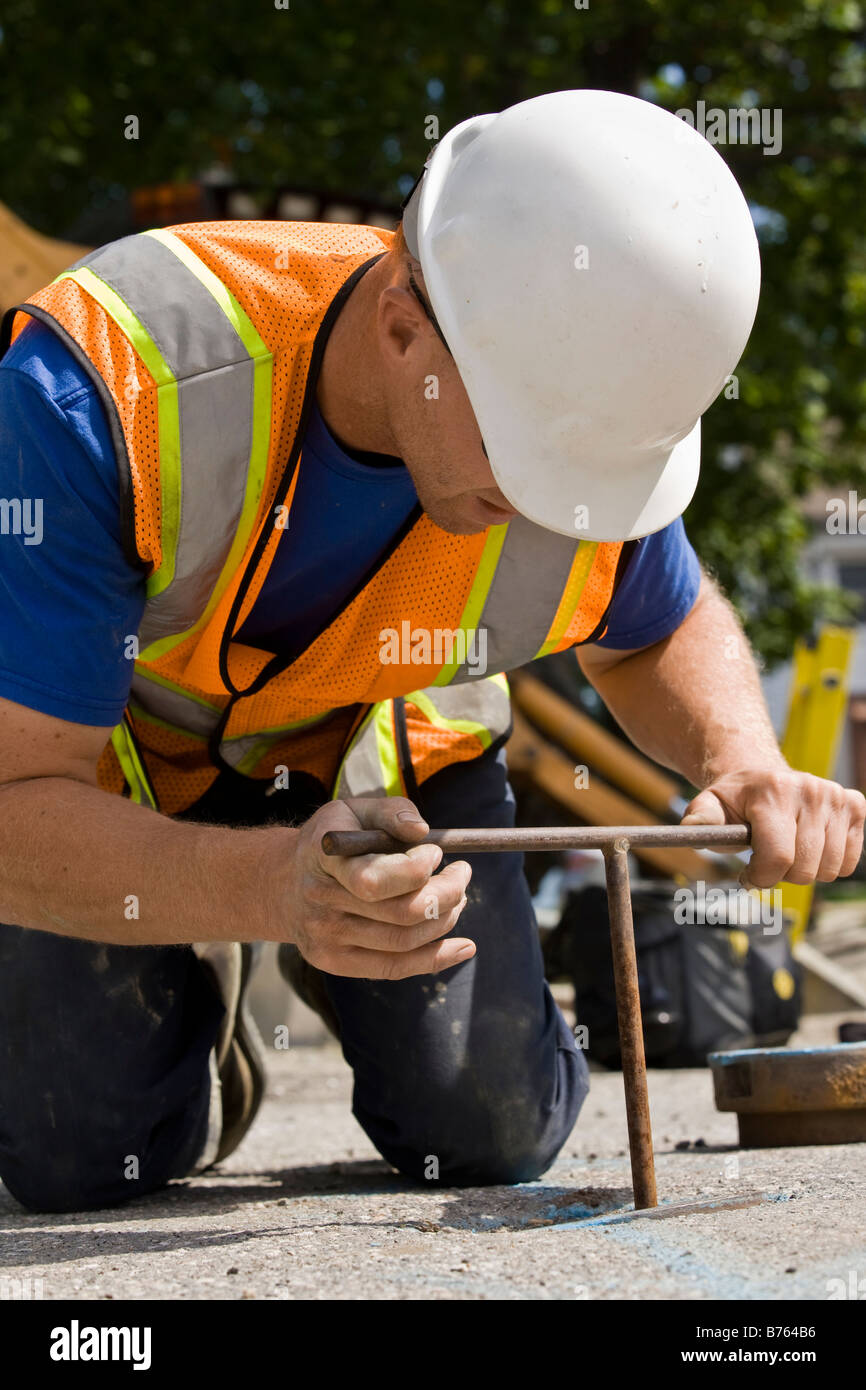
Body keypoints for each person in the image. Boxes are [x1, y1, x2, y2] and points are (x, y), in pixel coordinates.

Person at [0, 90, 861, 1213]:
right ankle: (201, 1012)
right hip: (123, 775)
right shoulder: (104, 385)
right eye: (527, 455)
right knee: (77, 1154)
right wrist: (267, 888)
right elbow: (17, 792)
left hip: (383, 764)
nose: (551, 506)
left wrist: (738, 756)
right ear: (402, 322)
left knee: (489, 1132)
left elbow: (658, 621)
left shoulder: (581, 410)